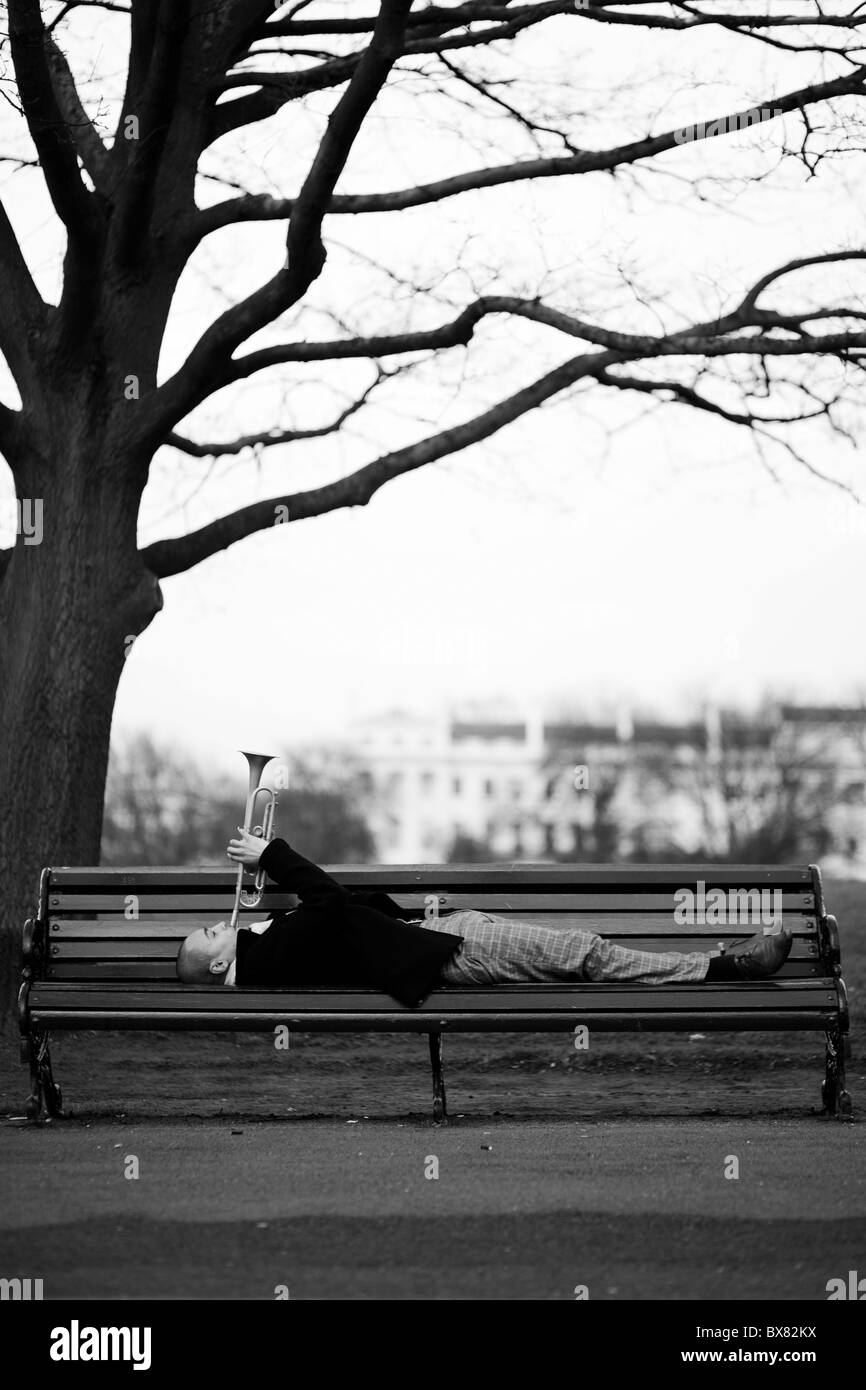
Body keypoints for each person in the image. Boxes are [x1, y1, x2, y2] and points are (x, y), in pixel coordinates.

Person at [175, 831, 793, 1007]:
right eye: (209, 935)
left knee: (582, 953)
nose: (214, 924)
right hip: (451, 956)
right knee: (585, 953)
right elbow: (330, 905)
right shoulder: (267, 957)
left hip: (443, 938)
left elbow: (343, 914)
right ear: (221, 962)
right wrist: (272, 857)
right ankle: (724, 966)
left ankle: (713, 962)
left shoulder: (262, 945)